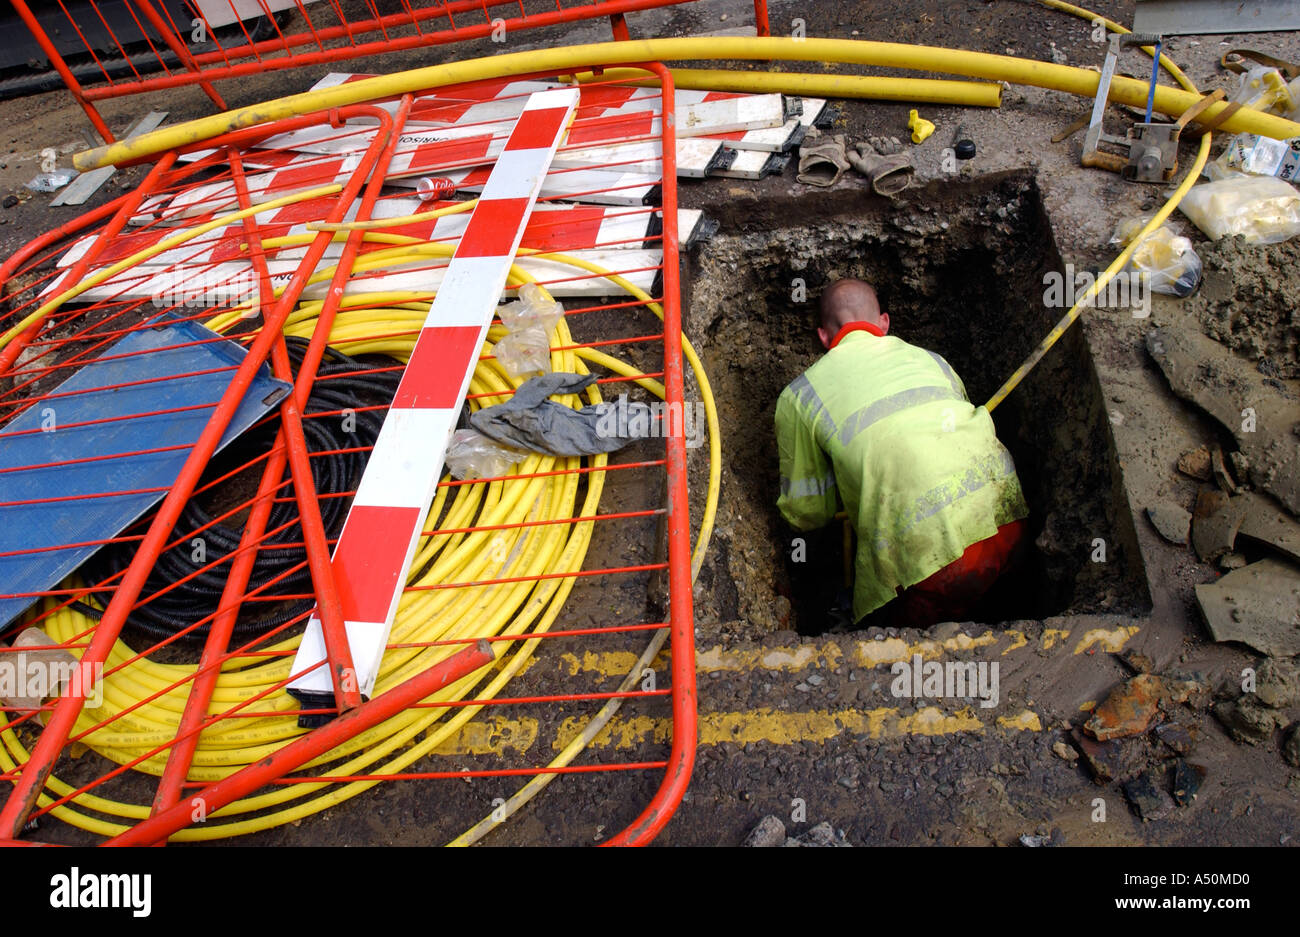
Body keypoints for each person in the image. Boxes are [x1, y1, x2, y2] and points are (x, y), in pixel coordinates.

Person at [774, 278, 1029, 628]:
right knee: (1003, 612)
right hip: (1007, 522)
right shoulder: (934, 361)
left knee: (886, 634)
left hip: (934, 566)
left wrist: (851, 489)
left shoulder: (800, 396)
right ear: (884, 323)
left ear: (823, 337)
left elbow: (807, 513)